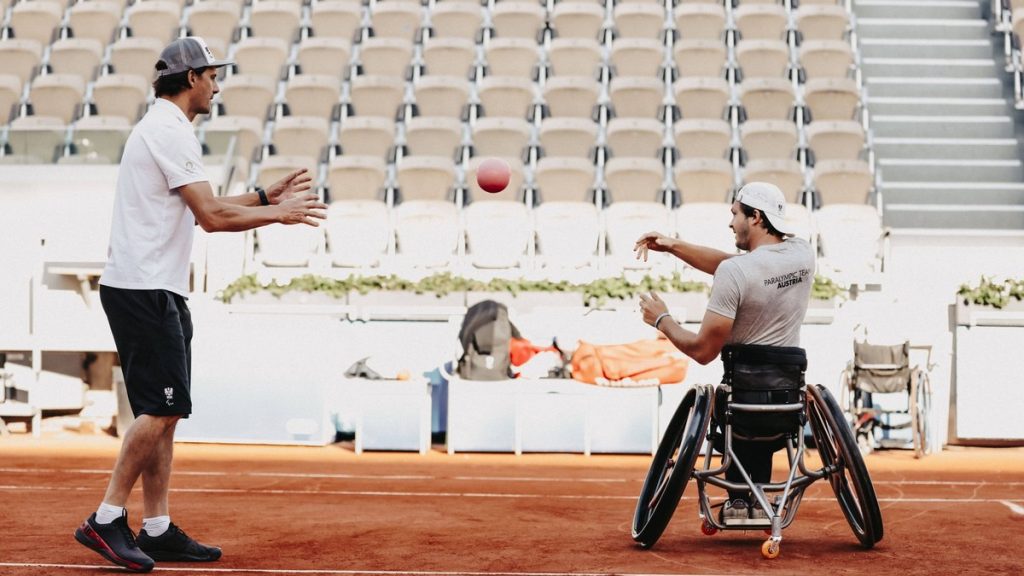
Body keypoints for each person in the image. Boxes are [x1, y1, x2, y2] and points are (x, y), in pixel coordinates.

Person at [74, 36, 327, 573]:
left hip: (156, 285)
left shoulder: (168, 128)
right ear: (191, 79)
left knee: (166, 412)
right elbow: (211, 218)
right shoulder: (168, 129)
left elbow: (201, 205)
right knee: (161, 408)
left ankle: (158, 528)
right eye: (212, 75)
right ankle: (105, 518)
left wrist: (264, 198)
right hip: (143, 288)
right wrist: (279, 216)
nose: (217, 84)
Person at [634, 182, 815, 523]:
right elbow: (742, 266)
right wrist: (673, 246)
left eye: (735, 214)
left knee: (728, 401)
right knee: (755, 404)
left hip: (740, 408)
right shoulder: (803, 254)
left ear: (756, 217)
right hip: (788, 403)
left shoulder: (736, 273)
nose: (730, 223)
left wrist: (661, 319)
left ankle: (739, 498)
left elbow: (702, 351)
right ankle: (753, 497)